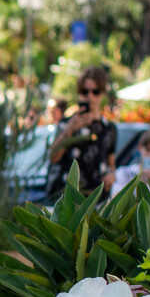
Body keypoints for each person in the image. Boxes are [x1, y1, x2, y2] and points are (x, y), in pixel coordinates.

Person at [46, 66, 117, 199]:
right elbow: (53, 157)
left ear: (102, 94)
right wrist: (69, 130)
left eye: (95, 91)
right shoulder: (67, 123)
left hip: (97, 199)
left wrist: (112, 175)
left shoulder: (109, 128)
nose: (90, 96)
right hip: (67, 198)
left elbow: (111, 163)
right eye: (85, 91)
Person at [112, 129, 150, 195]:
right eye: (148, 150)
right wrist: (139, 183)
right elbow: (116, 199)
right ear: (140, 147)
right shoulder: (124, 173)